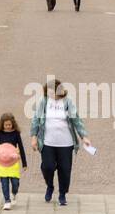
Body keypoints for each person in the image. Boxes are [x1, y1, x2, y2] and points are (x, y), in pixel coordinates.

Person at [30, 78, 92, 207]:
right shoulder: (44, 101)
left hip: (66, 143)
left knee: (65, 170)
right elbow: (36, 119)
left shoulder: (68, 102)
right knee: (47, 167)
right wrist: (34, 137)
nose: (51, 94)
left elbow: (76, 120)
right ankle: (50, 186)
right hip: (47, 142)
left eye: (53, 91)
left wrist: (84, 137)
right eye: (49, 92)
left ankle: (62, 194)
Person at [0, 111, 28, 210]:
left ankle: (14, 193)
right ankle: (7, 201)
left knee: (15, 182)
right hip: (1, 162)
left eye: (9, 124)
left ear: (13, 124)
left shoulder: (16, 134)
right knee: (4, 182)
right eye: (6, 125)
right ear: (2, 124)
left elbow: (21, 147)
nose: (8, 126)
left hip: (13, 162)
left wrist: (24, 163)